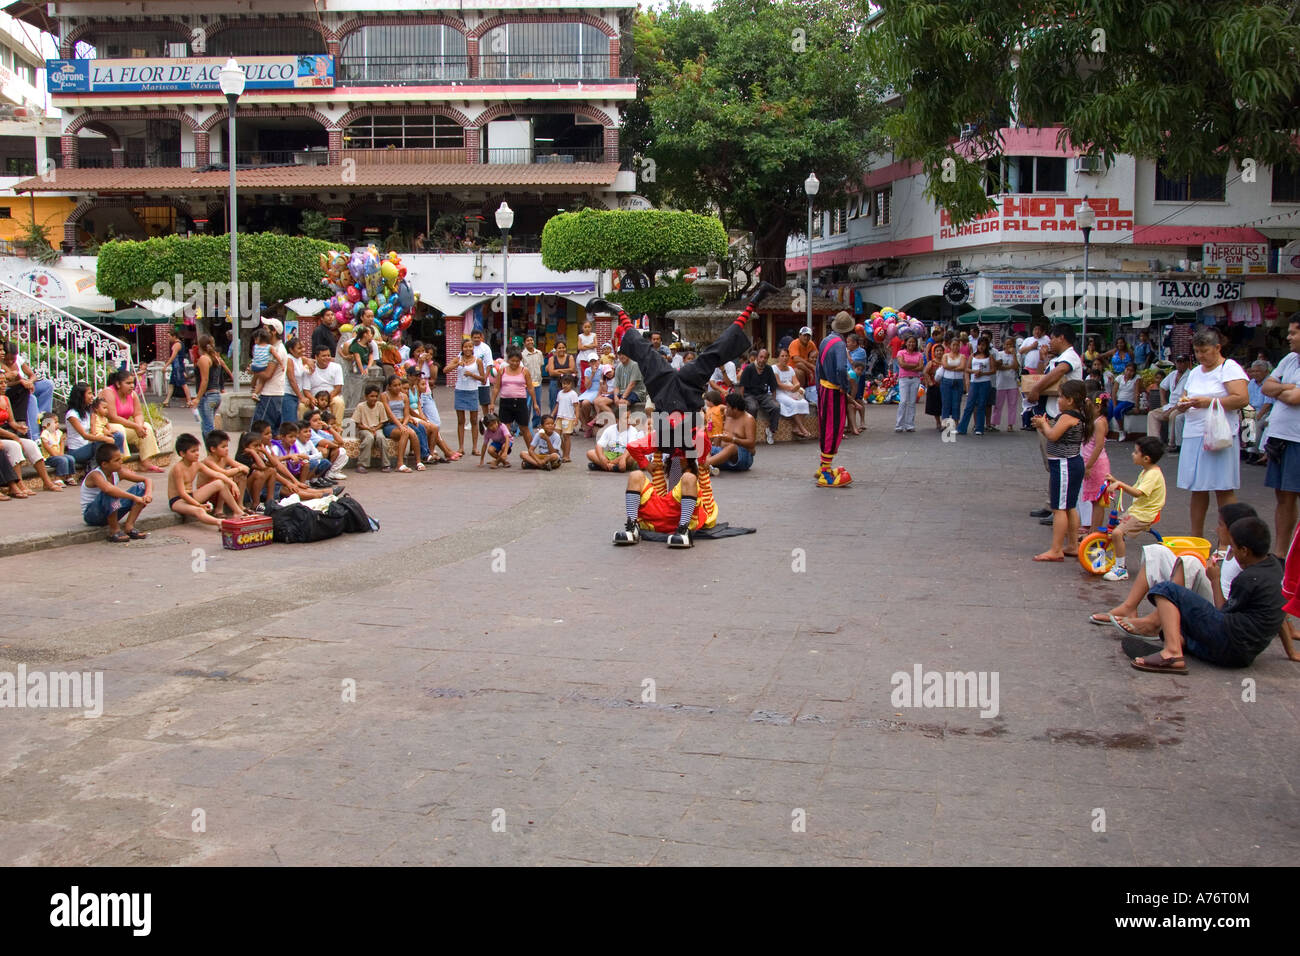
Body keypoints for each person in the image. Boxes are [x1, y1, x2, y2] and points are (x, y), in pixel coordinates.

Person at [1126, 517, 1285, 673]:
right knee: (1178, 623)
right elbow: (1281, 613)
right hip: (1244, 656)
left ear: (1244, 551)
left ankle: (1172, 653)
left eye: (1233, 548)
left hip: (1229, 645)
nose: (1232, 551)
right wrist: (1291, 652)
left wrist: (1215, 579)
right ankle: (1181, 641)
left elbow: (1222, 612)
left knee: (1167, 590)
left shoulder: (1249, 579)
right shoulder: (1275, 567)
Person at [1175, 328, 1249, 538]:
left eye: (1204, 351)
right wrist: (1183, 405)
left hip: (1219, 436)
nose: (1200, 356)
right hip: (1194, 433)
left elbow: (1241, 398)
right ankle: (1196, 536)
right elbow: (1186, 396)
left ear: (1217, 348)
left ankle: (1227, 540)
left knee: (1222, 487)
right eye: (1197, 352)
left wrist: (1209, 402)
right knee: (1198, 488)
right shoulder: (1196, 372)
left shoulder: (1229, 368)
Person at [614, 432, 719, 549]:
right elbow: (633, 447)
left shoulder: (697, 478)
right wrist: (648, 462)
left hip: (684, 518)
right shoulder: (667, 485)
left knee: (688, 478)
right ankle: (632, 528)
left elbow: (701, 438)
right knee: (635, 475)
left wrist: (689, 431)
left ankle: (683, 531)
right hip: (659, 515)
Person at [1031, 378, 1089, 561]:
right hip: (1070, 463)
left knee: (1059, 508)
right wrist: (1044, 426)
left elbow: (1053, 435)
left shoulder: (1067, 416)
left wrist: (1043, 425)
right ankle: (1072, 544)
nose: (1059, 400)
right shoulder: (1077, 415)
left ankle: (1056, 549)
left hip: (1065, 464)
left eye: (1061, 397)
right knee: (1069, 506)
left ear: (1070, 400)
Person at [1099, 436, 1168, 582]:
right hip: (1137, 510)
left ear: (1146, 458)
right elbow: (1135, 489)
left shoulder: (1153, 475)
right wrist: (1116, 481)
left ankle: (1120, 569)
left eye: (1136, 452)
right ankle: (1116, 558)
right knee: (1116, 528)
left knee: (1117, 533)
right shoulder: (1146, 471)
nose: (1133, 454)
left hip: (1144, 514)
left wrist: (1120, 484)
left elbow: (1138, 492)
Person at [1262, 315, 1300, 556]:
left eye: (1294, 332)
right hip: (1280, 438)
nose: (1288, 337)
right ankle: (1280, 556)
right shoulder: (1290, 359)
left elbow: (1296, 399)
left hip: (1297, 440)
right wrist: (1286, 387)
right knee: (1283, 499)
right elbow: (1267, 386)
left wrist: (1283, 389)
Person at [814, 311, 856, 487]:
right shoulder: (839, 344)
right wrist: (844, 386)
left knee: (826, 427)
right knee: (834, 428)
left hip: (824, 388)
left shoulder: (825, 340)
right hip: (833, 390)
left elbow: (817, 367)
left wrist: (818, 389)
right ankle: (825, 473)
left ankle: (824, 466)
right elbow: (840, 368)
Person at [167, 433, 244, 526]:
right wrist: (198, 505)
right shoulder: (178, 468)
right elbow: (182, 493)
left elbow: (217, 474)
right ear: (182, 454)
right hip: (177, 501)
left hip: (191, 495)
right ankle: (220, 523)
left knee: (219, 483)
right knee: (199, 511)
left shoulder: (197, 465)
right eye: (193, 451)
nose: (197, 454)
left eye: (197, 450)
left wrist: (232, 483)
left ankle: (237, 511)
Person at [81, 444, 152, 540]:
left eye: (120, 459)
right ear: (104, 464)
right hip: (93, 515)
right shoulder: (95, 475)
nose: (121, 462)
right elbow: (109, 489)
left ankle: (129, 526)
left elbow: (147, 480)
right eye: (117, 460)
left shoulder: (118, 472)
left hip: (113, 509)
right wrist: (134, 497)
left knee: (142, 487)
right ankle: (114, 530)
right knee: (111, 492)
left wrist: (148, 494)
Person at [99, 369, 164, 472]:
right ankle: (122, 463)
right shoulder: (109, 392)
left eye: (133, 383)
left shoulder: (132, 394)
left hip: (124, 426)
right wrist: (135, 426)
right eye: (128, 383)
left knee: (146, 426)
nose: (132, 386)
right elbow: (113, 417)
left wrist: (139, 426)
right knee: (119, 428)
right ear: (118, 384)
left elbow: (138, 413)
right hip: (107, 427)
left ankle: (146, 462)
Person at [0, 391, 63, 491]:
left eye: (4, 382)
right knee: (15, 446)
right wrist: (12, 435)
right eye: (0, 383)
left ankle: (47, 482)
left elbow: (11, 422)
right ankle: (19, 483)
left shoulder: (5, 399)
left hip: (8, 433)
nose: (4, 385)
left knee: (31, 444)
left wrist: (19, 427)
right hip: (3, 436)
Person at [65, 382, 124, 473]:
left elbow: (98, 426)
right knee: (102, 441)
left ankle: (117, 465)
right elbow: (85, 435)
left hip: (92, 445)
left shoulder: (89, 412)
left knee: (118, 436)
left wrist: (108, 432)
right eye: (89, 393)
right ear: (81, 396)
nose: (92, 396)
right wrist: (104, 438)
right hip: (77, 451)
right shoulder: (72, 414)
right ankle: (93, 468)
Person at [1077, 380, 1112, 533]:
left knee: (1097, 501)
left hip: (1096, 465)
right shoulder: (1097, 421)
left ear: (1097, 407)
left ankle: (1094, 531)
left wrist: (1089, 466)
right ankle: (1093, 529)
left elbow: (1098, 446)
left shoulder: (1099, 423)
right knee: (1094, 501)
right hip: (1093, 463)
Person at [1, 340, 53, 440]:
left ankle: (43, 416)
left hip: (26, 387)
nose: (10, 361)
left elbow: (32, 375)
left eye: (13, 359)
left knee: (48, 384)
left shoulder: (18, 359)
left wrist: (30, 381)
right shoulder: (1, 363)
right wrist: (22, 382)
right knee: (31, 398)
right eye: (8, 359)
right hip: (14, 391)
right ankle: (35, 437)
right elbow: (6, 383)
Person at [405, 366, 457, 463]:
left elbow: (418, 404)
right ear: (409, 376)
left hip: (417, 413)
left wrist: (422, 415)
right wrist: (420, 417)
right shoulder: (406, 388)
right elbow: (408, 408)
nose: (418, 377)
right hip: (410, 414)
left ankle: (431, 451)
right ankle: (429, 453)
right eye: (416, 375)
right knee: (431, 427)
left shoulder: (415, 388)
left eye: (419, 375)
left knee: (434, 427)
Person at [446, 338, 486, 457]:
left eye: (470, 347)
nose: (468, 349)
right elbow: (445, 370)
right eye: (465, 347)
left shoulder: (478, 361)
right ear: (462, 348)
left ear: (473, 348)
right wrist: (456, 364)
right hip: (460, 391)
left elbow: (483, 379)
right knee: (461, 421)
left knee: (474, 421)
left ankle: (474, 448)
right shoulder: (458, 359)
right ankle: (461, 447)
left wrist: (472, 375)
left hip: (472, 391)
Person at [250, 317, 290, 430]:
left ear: (273, 332)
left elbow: (267, 375)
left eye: (266, 328)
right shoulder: (269, 348)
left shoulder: (276, 350)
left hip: (270, 395)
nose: (263, 331)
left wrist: (254, 370)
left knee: (258, 432)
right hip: (271, 394)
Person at [1145, 354, 1191, 452]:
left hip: (1182, 406)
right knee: (1152, 414)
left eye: (1182, 362)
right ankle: (1154, 442)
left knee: (1173, 416)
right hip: (1169, 405)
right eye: (1178, 362)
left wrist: (1172, 409)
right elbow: (1162, 387)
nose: (1179, 364)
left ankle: (1172, 443)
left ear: (1187, 363)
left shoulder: (1190, 376)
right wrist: (1163, 401)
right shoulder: (1173, 374)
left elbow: (1185, 396)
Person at [492, 348, 536, 449]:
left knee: (524, 428)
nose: (515, 363)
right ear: (508, 360)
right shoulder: (502, 371)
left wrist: (535, 403)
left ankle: (532, 453)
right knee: (504, 429)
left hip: (520, 402)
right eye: (512, 361)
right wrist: (492, 403)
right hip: (505, 402)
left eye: (517, 361)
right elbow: (496, 388)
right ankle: (502, 455)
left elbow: (530, 388)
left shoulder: (524, 371)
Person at [737, 348, 780, 444]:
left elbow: (773, 387)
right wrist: (742, 401)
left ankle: (771, 430)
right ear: (757, 357)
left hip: (763, 395)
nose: (762, 359)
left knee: (776, 407)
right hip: (749, 394)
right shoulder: (749, 368)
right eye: (761, 357)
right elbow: (742, 387)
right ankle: (750, 432)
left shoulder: (768, 369)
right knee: (752, 407)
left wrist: (774, 400)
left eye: (765, 358)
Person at [706, 391, 758, 472]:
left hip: (742, 458)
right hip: (722, 454)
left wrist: (733, 439)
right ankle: (710, 466)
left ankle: (706, 464)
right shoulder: (728, 415)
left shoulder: (748, 419)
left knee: (732, 447)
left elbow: (751, 443)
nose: (725, 409)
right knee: (705, 445)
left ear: (735, 409)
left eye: (728, 407)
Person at [381, 374, 422, 472]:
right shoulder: (384, 396)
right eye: (395, 385)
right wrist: (400, 425)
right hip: (390, 425)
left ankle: (418, 462)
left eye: (399, 385)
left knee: (412, 433)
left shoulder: (404, 396)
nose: (398, 387)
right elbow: (389, 413)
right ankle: (400, 464)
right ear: (389, 386)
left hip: (402, 423)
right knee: (406, 432)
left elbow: (407, 414)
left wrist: (403, 424)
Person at [193, 335, 231, 438]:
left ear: (200, 346)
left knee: (207, 428)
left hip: (208, 396)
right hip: (215, 394)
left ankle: (212, 451)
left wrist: (197, 398)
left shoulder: (204, 359)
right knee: (207, 425)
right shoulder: (216, 358)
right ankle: (211, 451)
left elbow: (204, 380)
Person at [350, 384, 394, 473]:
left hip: (377, 428)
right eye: (371, 396)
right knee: (369, 437)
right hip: (364, 429)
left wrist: (375, 429)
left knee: (381, 438)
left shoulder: (380, 405)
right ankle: (362, 464)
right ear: (366, 396)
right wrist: (369, 429)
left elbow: (383, 421)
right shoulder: (361, 406)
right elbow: (358, 424)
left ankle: (386, 464)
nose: (374, 398)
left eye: (376, 396)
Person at [957, 336, 994, 436]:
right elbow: (967, 369)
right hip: (974, 382)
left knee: (982, 405)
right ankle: (962, 427)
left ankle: (979, 428)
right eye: (979, 345)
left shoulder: (989, 356)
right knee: (969, 405)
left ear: (986, 346)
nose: (981, 347)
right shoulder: (973, 356)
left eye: (983, 345)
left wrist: (983, 373)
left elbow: (993, 370)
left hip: (985, 382)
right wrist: (974, 372)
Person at [773, 349, 813, 438]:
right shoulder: (774, 368)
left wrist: (797, 386)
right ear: (778, 358)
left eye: (786, 356)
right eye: (782, 356)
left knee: (804, 403)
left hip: (791, 392)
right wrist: (792, 388)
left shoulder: (790, 369)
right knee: (793, 403)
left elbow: (796, 382)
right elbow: (778, 384)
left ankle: (796, 428)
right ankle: (802, 428)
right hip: (780, 393)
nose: (784, 358)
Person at [204, 429, 250, 504]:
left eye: (227, 446)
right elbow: (224, 473)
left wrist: (240, 469)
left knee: (241, 475)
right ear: (213, 449)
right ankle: (219, 509)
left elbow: (246, 468)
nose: (227, 449)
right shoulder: (208, 461)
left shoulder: (225, 458)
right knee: (227, 479)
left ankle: (240, 504)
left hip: (222, 491)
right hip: (209, 493)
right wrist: (239, 469)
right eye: (223, 447)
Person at [305, 345, 345, 423]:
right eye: (323, 356)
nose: (327, 358)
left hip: (331, 396)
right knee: (302, 406)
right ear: (316, 357)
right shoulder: (309, 368)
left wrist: (326, 399)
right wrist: (312, 399)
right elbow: (306, 390)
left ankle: (336, 429)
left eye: (328, 355)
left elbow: (338, 387)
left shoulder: (337, 367)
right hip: (313, 398)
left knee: (339, 402)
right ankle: (305, 430)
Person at [1244, 359, 1273, 465]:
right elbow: (1247, 399)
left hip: (1266, 411)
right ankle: (1245, 451)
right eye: (1253, 371)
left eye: (1258, 371)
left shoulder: (1269, 382)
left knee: (1254, 423)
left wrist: (1257, 416)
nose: (1255, 373)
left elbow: (1268, 403)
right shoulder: (1251, 383)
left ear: (1265, 372)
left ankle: (1253, 453)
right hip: (1253, 409)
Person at [989, 334, 1019, 433]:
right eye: (1007, 344)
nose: (1008, 346)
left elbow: (1016, 367)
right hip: (1001, 383)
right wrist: (1009, 367)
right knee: (998, 404)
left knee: (1012, 405)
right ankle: (994, 423)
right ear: (1004, 345)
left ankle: (1010, 424)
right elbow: (998, 367)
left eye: (1011, 344)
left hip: (1012, 383)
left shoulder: (1016, 355)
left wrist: (1014, 355)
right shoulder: (1000, 354)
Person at [938, 331, 966, 427]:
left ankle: (956, 422)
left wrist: (952, 368)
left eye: (957, 345)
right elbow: (945, 365)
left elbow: (962, 367)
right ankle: (944, 423)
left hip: (958, 381)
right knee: (946, 402)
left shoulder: (962, 356)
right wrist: (955, 368)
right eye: (953, 345)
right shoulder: (945, 355)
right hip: (946, 381)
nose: (955, 347)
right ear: (950, 346)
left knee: (956, 403)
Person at [39, 413, 76, 484]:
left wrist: (62, 443)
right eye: (55, 422)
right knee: (62, 460)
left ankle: (69, 476)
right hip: (49, 457)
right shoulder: (45, 433)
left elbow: (61, 448)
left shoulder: (59, 433)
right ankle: (58, 478)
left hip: (58, 455)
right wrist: (57, 455)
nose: (58, 424)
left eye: (57, 422)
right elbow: (47, 447)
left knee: (71, 458)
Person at [1108, 362, 1139, 442]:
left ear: (1134, 372)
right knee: (1108, 409)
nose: (1128, 372)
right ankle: (1105, 431)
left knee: (1117, 410)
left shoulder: (1136, 379)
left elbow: (1136, 393)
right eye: (1127, 370)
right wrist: (1114, 404)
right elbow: (1114, 392)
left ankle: (1121, 431)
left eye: (1131, 371)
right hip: (1118, 399)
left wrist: (1137, 406)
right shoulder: (1119, 378)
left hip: (1128, 401)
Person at [554, 374, 580, 462]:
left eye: (567, 384)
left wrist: (576, 419)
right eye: (563, 383)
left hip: (568, 418)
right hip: (559, 417)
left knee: (566, 436)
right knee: (557, 436)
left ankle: (567, 455)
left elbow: (576, 407)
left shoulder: (573, 394)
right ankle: (563, 451)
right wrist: (553, 414)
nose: (565, 385)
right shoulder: (560, 393)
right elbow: (557, 404)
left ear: (572, 384)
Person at [521, 335, 546, 426]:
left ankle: (536, 422)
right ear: (524, 343)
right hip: (527, 383)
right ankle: (525, 422)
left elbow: (540, 366)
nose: (530, 342)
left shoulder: (539, 353)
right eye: (527, 340)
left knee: (538, 402)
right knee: (527, 403)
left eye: (531, 340)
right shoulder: (522, 355)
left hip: (537, 382)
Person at [163, 336, 194, 408]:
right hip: (177, 367)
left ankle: (189, 401)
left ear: (174, 336)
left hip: (177, 367)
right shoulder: (180, 344)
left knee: (183, 383)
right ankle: (166, 401)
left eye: (169, 336)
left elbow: (173, 357)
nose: (168, 338)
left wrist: (166, 366)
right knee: (171, 384)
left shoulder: (177, 345)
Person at [922, 337, 945, 429]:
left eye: (940, 350)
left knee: (944, 404)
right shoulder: (931, 362)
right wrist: (930, 382)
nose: (939, 352)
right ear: (934, 352)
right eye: (937, 351)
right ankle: (938, 422)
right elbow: (925, 372)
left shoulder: (946, 362)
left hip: (945, 386)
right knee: (936, 405)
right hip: (935, 386)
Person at [470, 328, 494, 415]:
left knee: (484, 403)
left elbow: (489, 364)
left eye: (478, 337)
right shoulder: (468, 347)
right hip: (471, 381)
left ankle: (486, 420)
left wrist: (485, 377)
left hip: (483, 382)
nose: (476, 339)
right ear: (471, 338)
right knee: (472, 403)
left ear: (481, 337)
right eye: (474, 337)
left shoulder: (486, 348)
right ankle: (472, 421)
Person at [577, 320, 598, 391]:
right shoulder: (580, 336)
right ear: (582, 328)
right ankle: (583, 390)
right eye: (585, 327)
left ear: (591, 327)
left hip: (593, 358)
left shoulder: (594, 335)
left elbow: (596, 345)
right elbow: (579, 347)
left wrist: (585, 346)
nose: (587, 328)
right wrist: (591, 345)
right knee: (584, 375)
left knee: (594, 373)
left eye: (589, 327)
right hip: (584, 358)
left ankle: (593, 389)